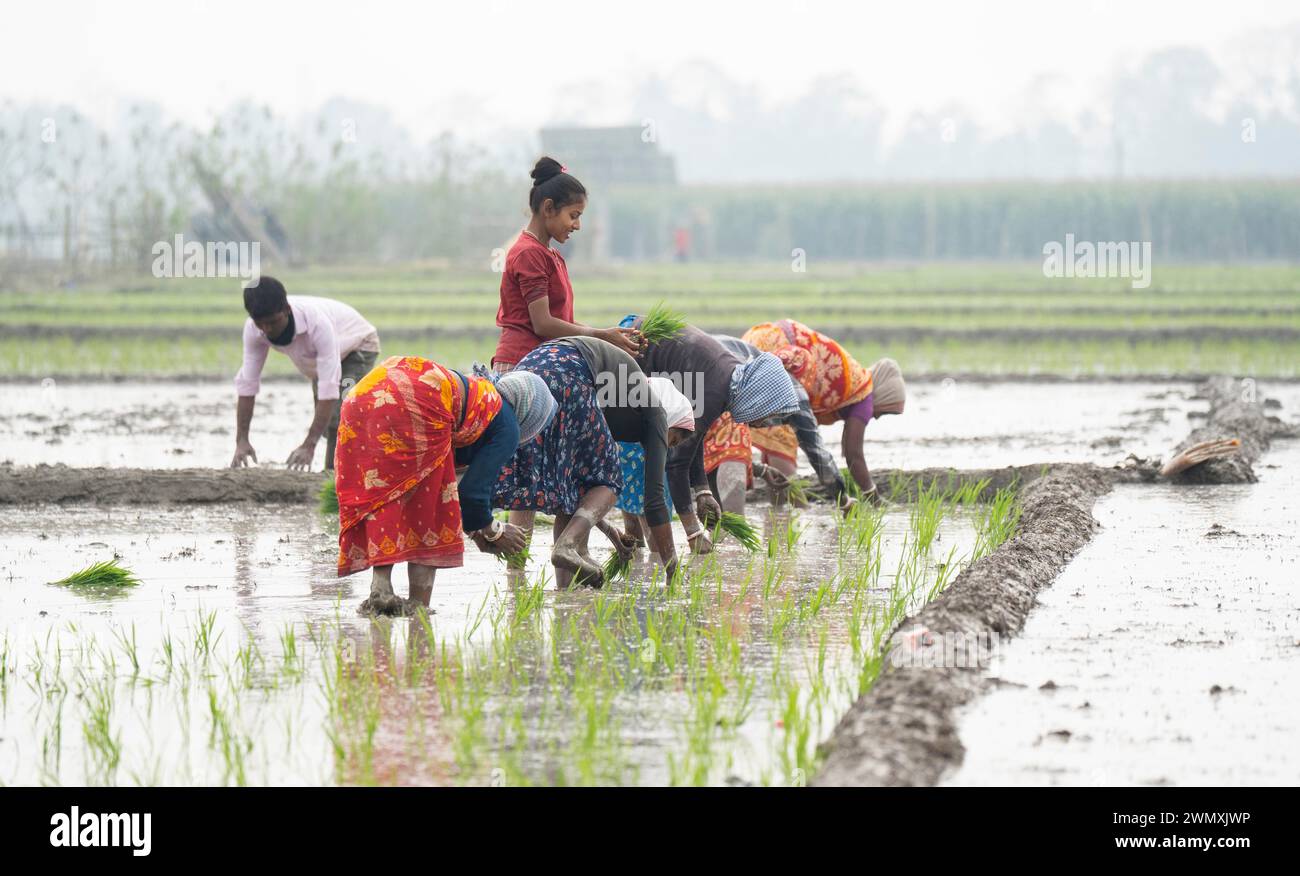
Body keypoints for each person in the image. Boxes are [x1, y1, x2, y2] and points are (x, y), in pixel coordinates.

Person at [335, 356, 554, 615]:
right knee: (434, 504)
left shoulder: (477, 402)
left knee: (388, 493)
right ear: (530, 413)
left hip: (364, 394)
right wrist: (495, 530)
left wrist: (476, 531)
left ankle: (381, 585)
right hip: (411, 399)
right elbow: (470, 495)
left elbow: (465, 496)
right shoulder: (506, 423)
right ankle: (418, 606)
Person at [620, 317, 800, 554]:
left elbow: (692, 438)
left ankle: (638, 556)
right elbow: (677, 462)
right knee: (646, 473)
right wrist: (694, 532)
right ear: (758, 397)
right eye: (768, 413)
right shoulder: (715, 390)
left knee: (649, 473)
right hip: (630, 358)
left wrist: (702, 491)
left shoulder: (729, 379)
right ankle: (643, 556)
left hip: (640, 355)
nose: (764, 422)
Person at [559, 337, 696, 581]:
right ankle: (568, 549)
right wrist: (672, 567)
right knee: (607, 486)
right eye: (672, 440)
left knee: (580, 493)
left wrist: (612, 534)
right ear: (669, 419)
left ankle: (565, 590)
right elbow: (653, 502)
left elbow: (581, 495)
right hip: (573, 369)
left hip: (558, 370)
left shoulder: (613, 416)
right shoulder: (652, 417)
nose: (668, 447)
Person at [742, 320, 906, 503]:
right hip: (780, 351)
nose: (874, 417)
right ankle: (786, 516)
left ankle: (778, 515)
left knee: (776, 439)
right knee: (783, 444)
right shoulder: (864, 396)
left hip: (756, 341)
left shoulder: (853, 380)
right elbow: (853, 454)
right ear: (882, 396)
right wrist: (872, 495)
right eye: (882, 412)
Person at [232, 276, 380, 471]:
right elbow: (247, 383)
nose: (267, 330)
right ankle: (337, 474)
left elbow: (329, 389)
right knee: (329, 425)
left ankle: (335, 477)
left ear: (286, 310)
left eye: (273, 322)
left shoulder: (317, 325)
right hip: (318, 359)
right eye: (261, 324)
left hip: (357, 346)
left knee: (341, 416)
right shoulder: (254, 329)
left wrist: (308, 445)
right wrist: (242, 440)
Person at [708, 334, 856, 514]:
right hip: (705, 369)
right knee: (732, 442)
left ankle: (719, 530)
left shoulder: (760, 368)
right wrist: (843, 498)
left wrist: (761, 471)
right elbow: (818, 454)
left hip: (694, 365)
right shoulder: (793, 390)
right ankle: (730, 533)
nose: (761, 422)